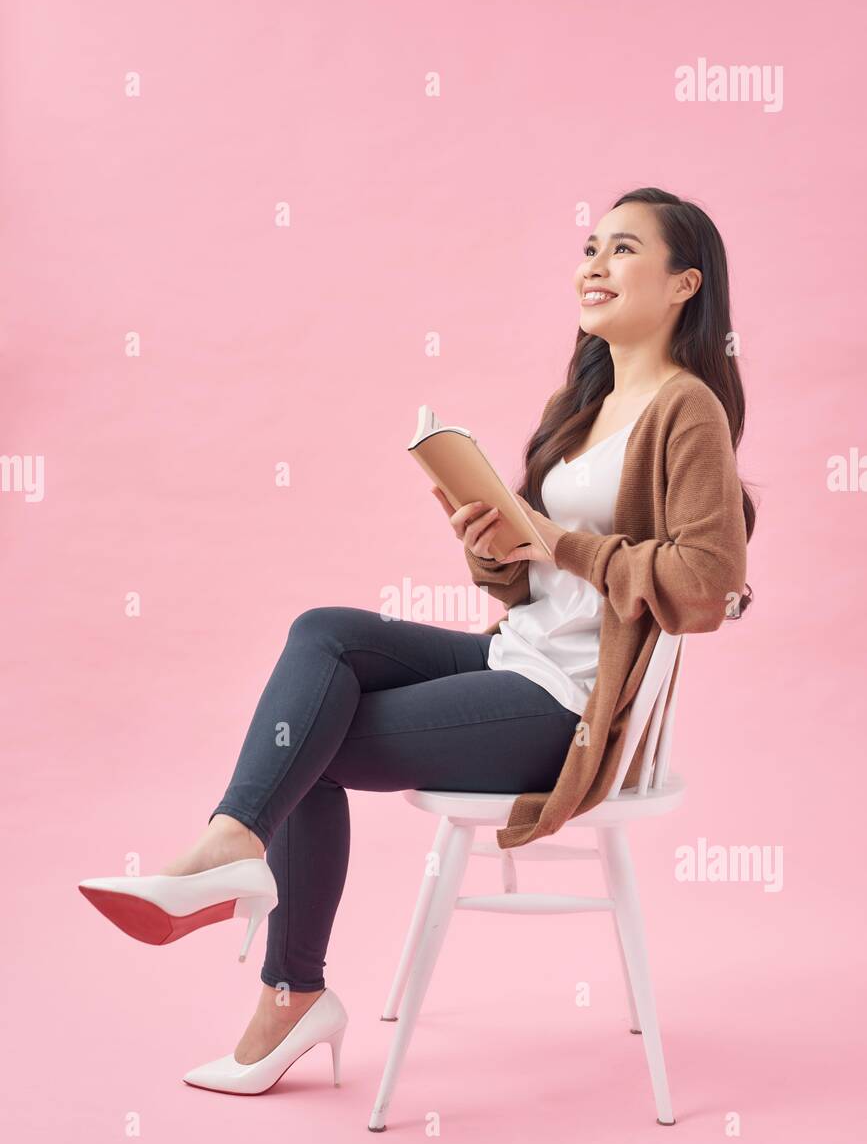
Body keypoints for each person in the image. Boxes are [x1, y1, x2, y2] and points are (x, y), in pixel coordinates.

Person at [78, 186, 755, 1097]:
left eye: (621, 249)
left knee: (306, 747)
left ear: (683, 284)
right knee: (323, 635)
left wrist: (551, 540)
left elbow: (706, 585)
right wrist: (494, 554)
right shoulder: (580, 404)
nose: (591, 265)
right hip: (514, 656)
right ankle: (239, 855)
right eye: (588, 246)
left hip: (571, 707)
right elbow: (542, 580)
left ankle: (282, 976)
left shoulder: (687, 411)